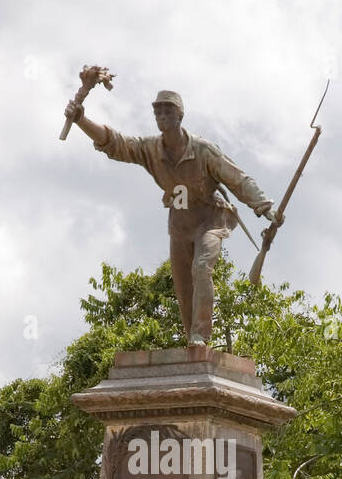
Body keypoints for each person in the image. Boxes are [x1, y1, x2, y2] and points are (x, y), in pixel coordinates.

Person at [63, 90, 282, 346]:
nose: (162, 116)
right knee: (183, 287)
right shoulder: (150, 149)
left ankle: (201, 334)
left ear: (181, 115)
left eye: (168, 111)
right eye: (158, 112)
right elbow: (116, 143)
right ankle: (193, 343)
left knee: (201, 268)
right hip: (179, 226)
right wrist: (81, 120)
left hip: (210, 222)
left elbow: (237, 179)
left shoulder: (203, 150)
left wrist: (265, 207)